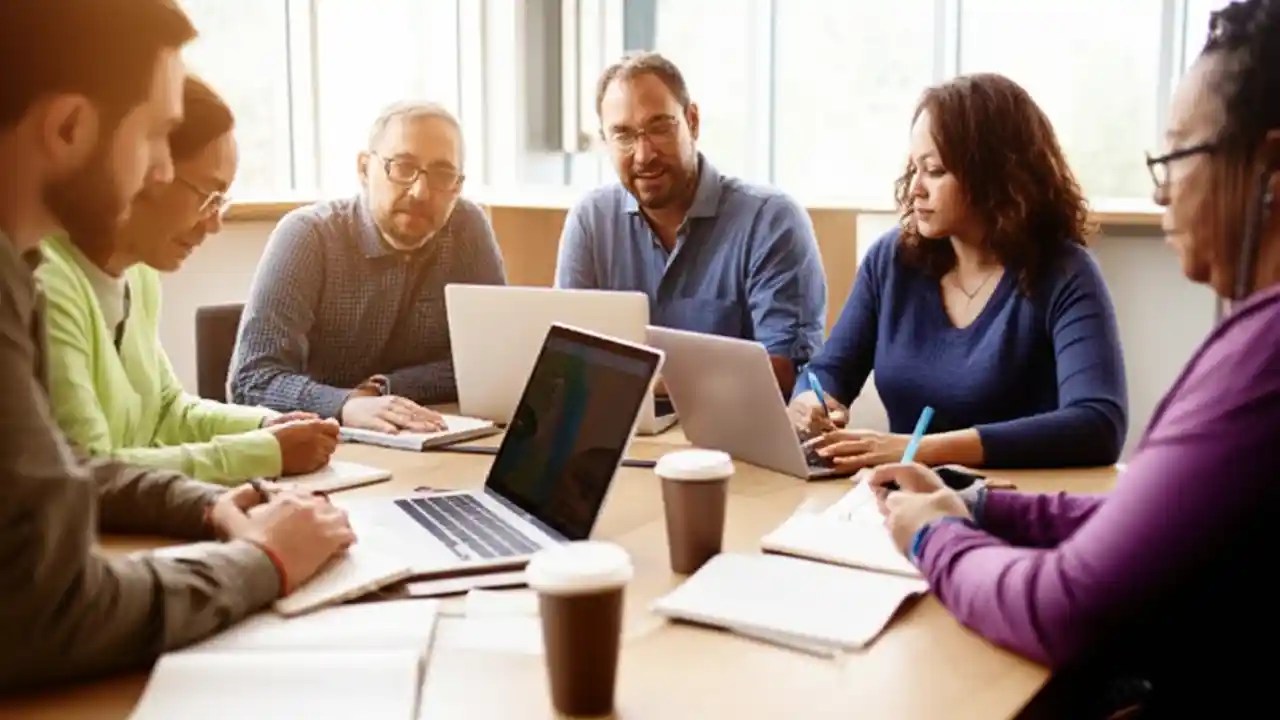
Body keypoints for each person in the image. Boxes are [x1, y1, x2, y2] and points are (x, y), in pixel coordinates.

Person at [868, 1, 1280, 714]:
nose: (1161, 189)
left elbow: (1064, 606)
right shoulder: (1258, 334)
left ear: (1269, 169)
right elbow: (1139, 517)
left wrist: (934, 535)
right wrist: (978, 504)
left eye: (1179, 155)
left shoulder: (1264, 354)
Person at [0, 0, 352, 690]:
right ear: (69, 127)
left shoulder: (20, 267)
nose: (162, 173)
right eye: (158, 136)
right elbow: (46, 610)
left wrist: (202, 503)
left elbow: (71, 466)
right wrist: (266, 561)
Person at [790, 73, 1127, 472]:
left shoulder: (1066, 274)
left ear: (996, 175)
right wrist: (811, 402)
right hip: (899, 503)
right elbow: (829, 370)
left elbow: (1098, 424)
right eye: (913, 168)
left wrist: (918, 450)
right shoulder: (892, 261)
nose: (915, 188)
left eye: (934, 170)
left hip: (1014, 506)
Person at [37, 75, 339, 485]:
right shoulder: (47, 282)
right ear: (146, 168)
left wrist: (267, 424)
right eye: (207, 196)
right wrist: (265, 451)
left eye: (222, 202)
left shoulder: (139, 273)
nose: (214, 224)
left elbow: (167, 410)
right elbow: (91, 468)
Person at [554, 51, 827, 396]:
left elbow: (782, 372)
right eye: (623, 135)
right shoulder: (591, 221)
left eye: (659, 128)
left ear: (692, 121)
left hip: (737, 442)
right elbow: (569, 361)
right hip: (622, 441)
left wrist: (644, 384)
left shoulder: (770, 220)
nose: (643, 154)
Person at [229, 101, 507, 432]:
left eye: (442, 175)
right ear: (364, 168)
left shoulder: (467, 227)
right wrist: (345, 404)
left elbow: (490, 365)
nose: (420, 191)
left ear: (458, 186)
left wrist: (383, 388)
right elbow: (251, 381)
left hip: (432, 439)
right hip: (324, 445)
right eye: (402, 167)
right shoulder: (309, 236)